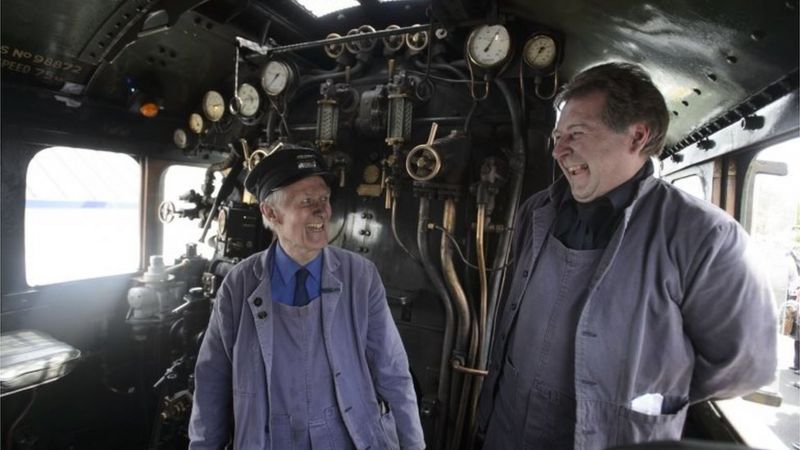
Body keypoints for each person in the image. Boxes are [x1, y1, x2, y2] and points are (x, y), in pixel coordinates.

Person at [476, 62, 776, 450]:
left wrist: (651, 391)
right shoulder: (537, 211)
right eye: (558, 135)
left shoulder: (705, 236)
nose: (559, 150)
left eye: (577, 134)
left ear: (637, 136)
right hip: (508, 428)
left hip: (612, 438)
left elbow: (745, 367)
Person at [188, 146, 425, 450]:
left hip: (348, 438)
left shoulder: (360, 276)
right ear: (271, 212)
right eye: (306, 201)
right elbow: (212, 381)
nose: (322, 211)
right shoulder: (240, 284)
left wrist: (414, 446)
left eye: (324, 199)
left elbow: (392, 371)